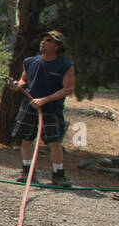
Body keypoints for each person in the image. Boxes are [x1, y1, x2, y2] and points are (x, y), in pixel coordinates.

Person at [12, 30, 76, 186]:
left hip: (51, 109)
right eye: (43, 39)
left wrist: (44, 100)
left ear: (57, 46)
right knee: (26, 140)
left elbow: (68, 89)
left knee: (54, 142)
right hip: (29, 106)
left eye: (48, 40)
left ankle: (58, 176)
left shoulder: (65, 65)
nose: (43, 42)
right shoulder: (30, 61)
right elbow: (23, 81)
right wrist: (16, 85)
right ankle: (27, 173)